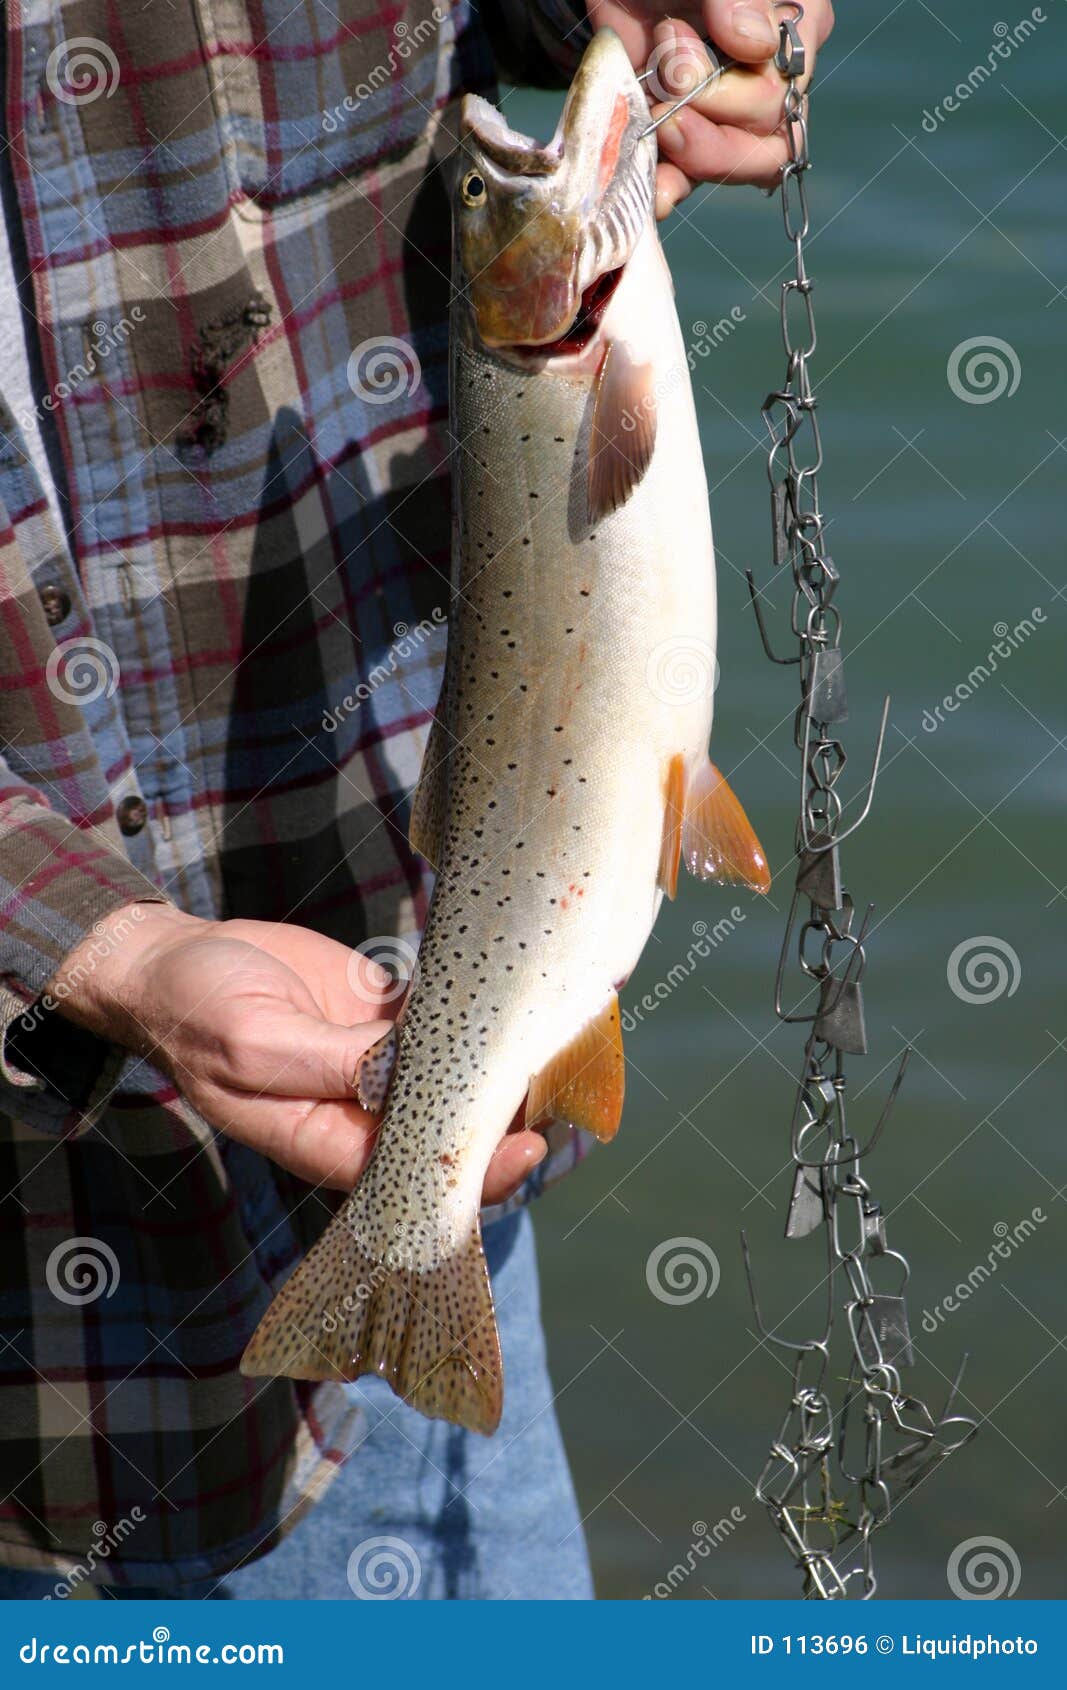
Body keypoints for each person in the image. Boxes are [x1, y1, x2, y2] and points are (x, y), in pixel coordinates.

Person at [0, 0, 833, 1600]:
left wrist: (671, 20)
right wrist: (95, 949)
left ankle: (409, 1248)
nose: (500, 181)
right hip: (49, 1325)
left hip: (405, 1027)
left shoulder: (574, 324)